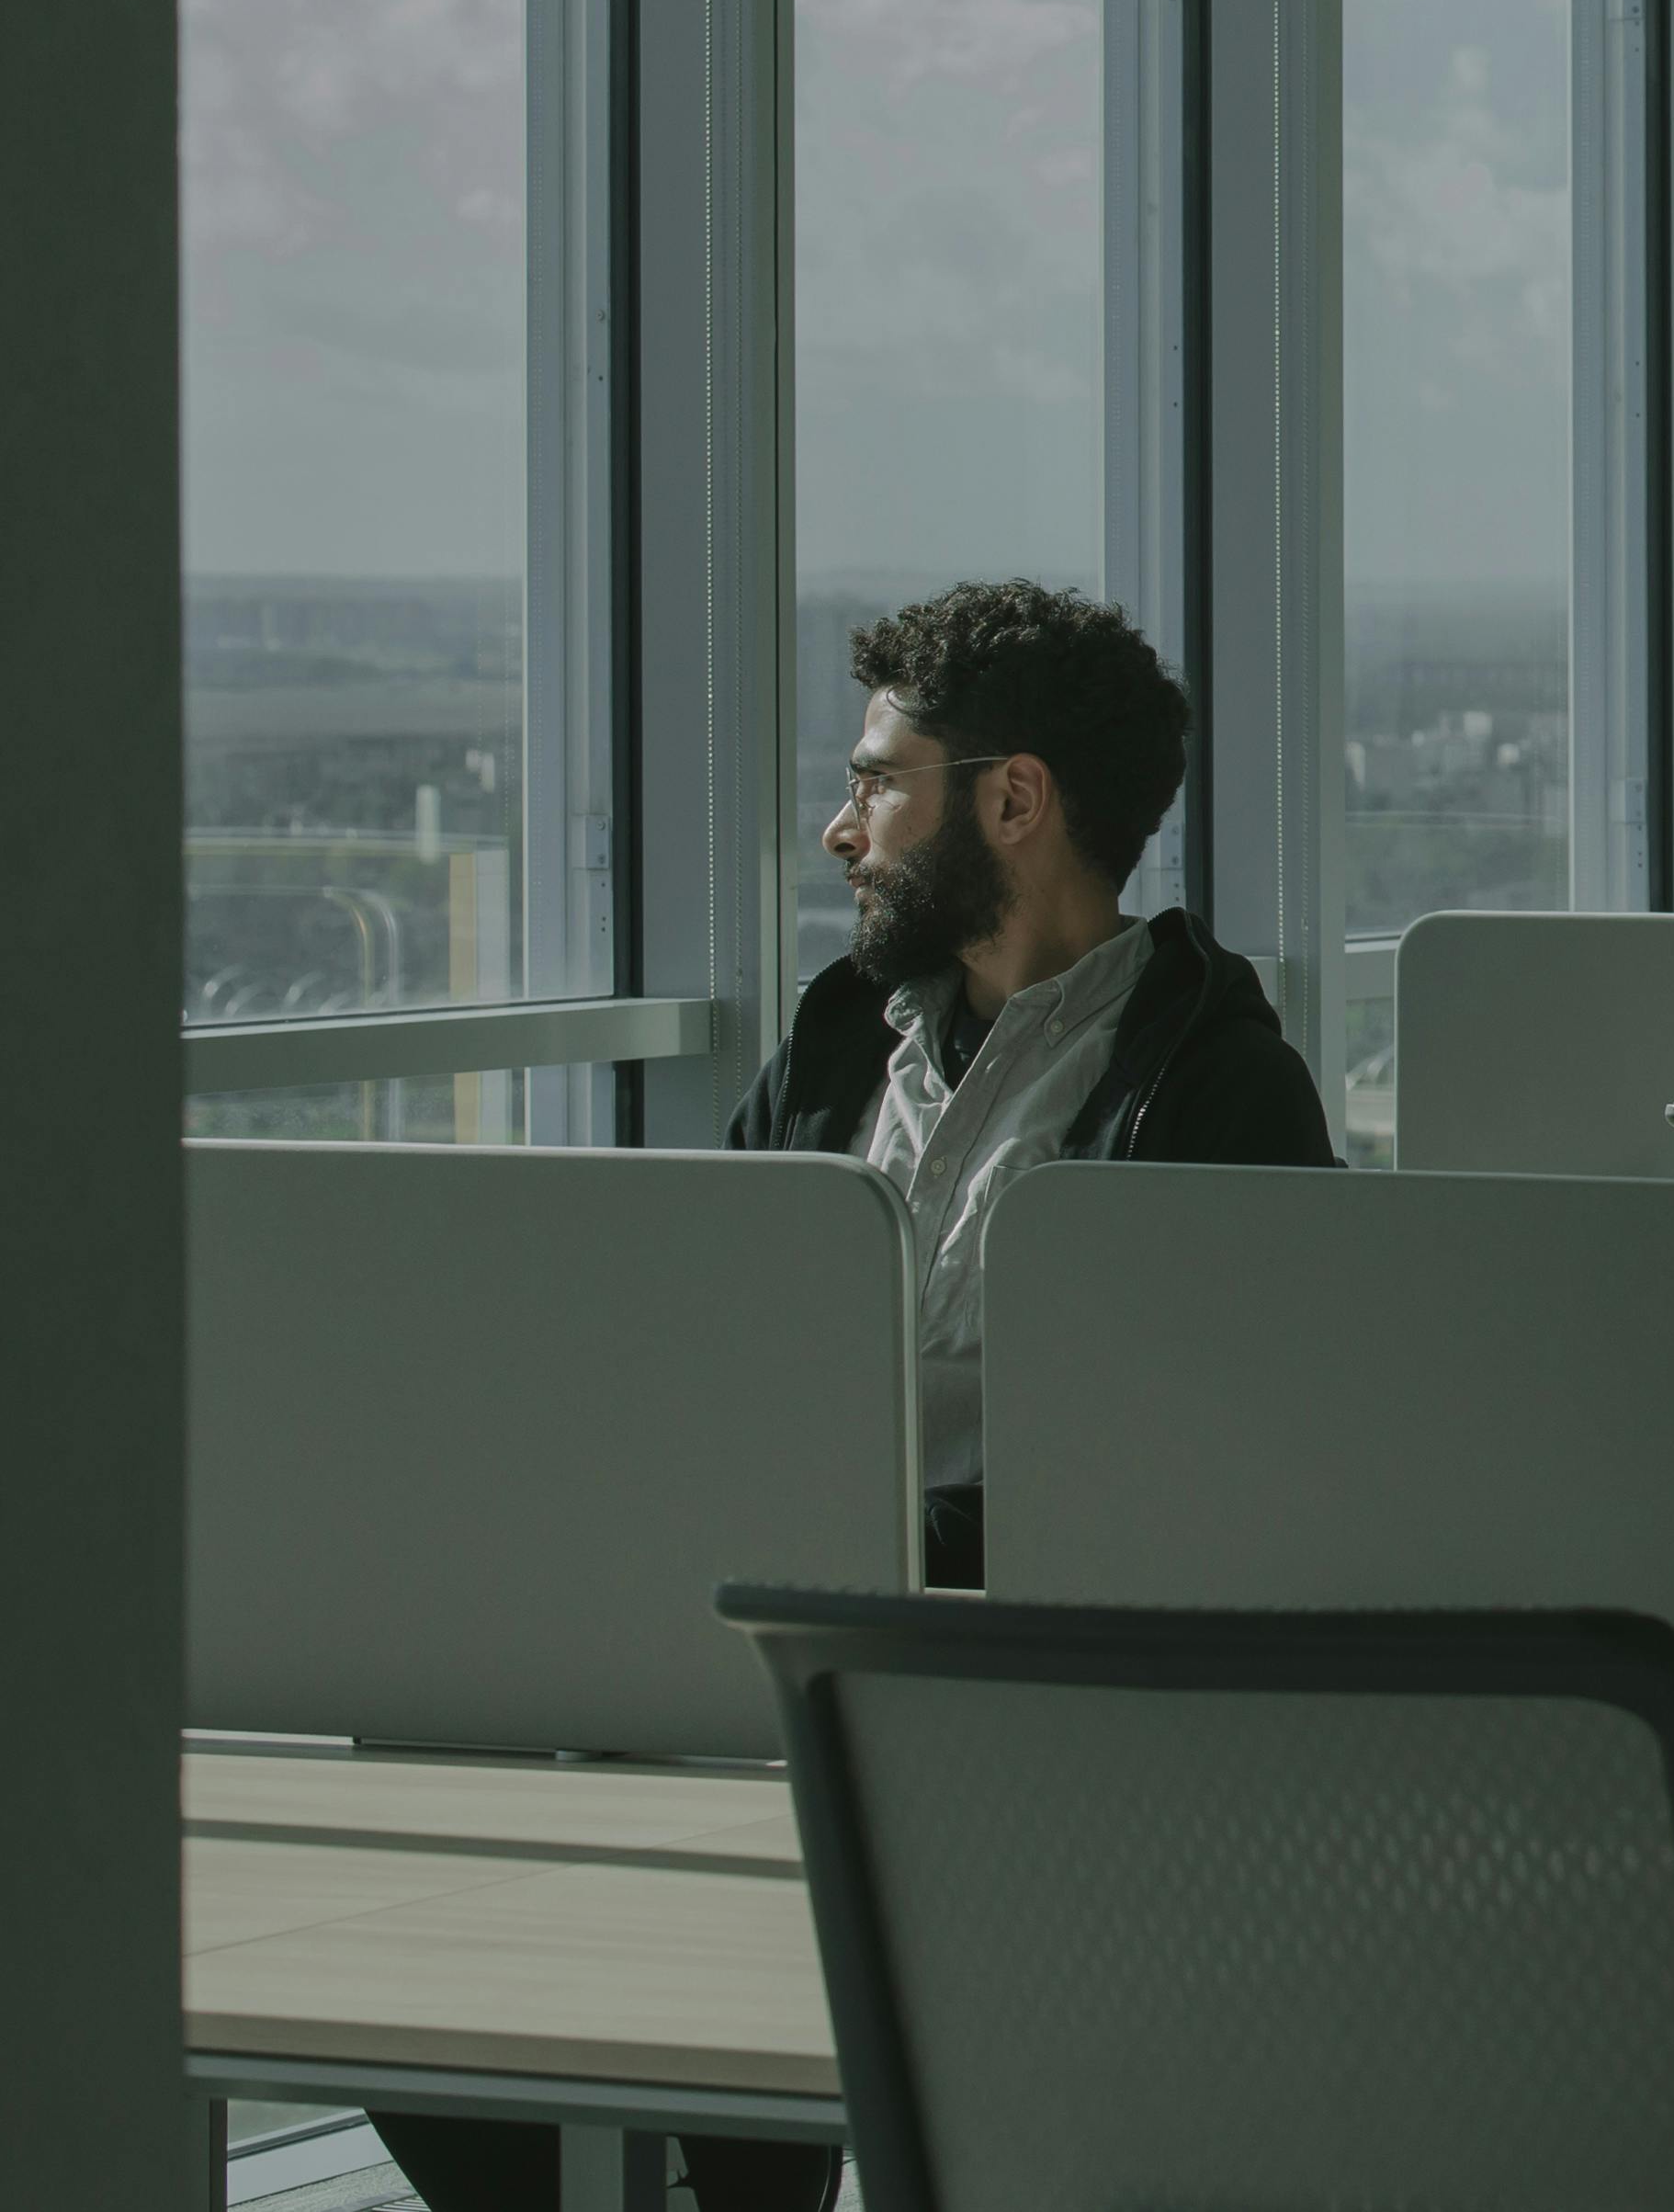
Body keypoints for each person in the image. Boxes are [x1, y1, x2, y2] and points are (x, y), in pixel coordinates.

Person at [373, 582, 1331, 2212]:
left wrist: (871, 1542)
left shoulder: (1217, 1090)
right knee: (421, 1699)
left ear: (1012, 800)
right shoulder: (837, 1047)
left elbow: (1213, 1490)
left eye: (878, 782)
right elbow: (689, 1343)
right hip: (766, 1582)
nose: (841, 828)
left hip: (997, 1658)